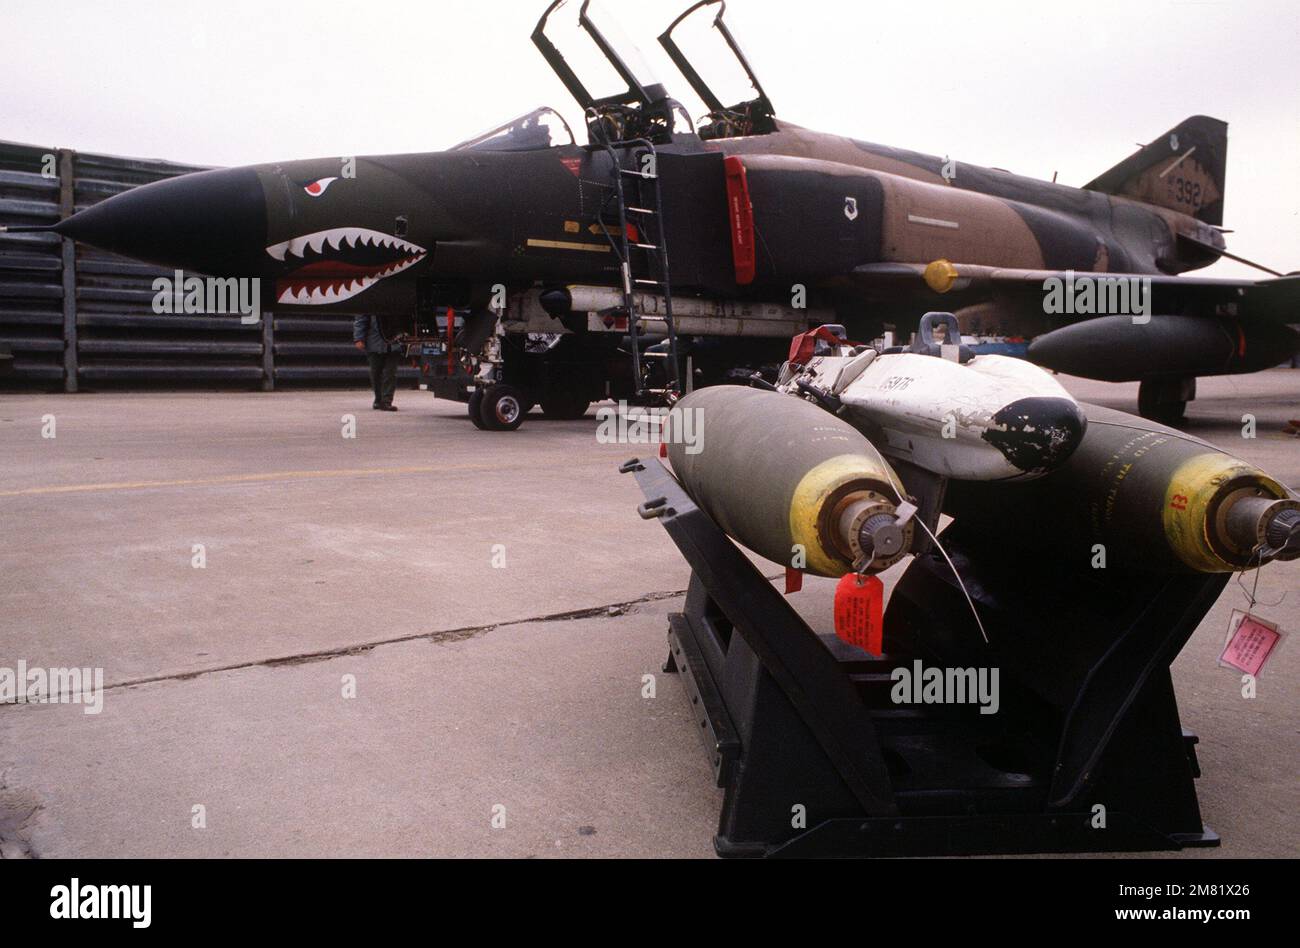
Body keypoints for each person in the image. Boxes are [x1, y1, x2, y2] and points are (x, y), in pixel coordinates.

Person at [353, 314, 402, 411]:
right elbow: (361, 320)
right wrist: (359, 339)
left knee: (390, 373)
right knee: (375, 373)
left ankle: (386, 401)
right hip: (374, 343)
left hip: (394, 343)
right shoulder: (370, 302)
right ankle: (378, 400)